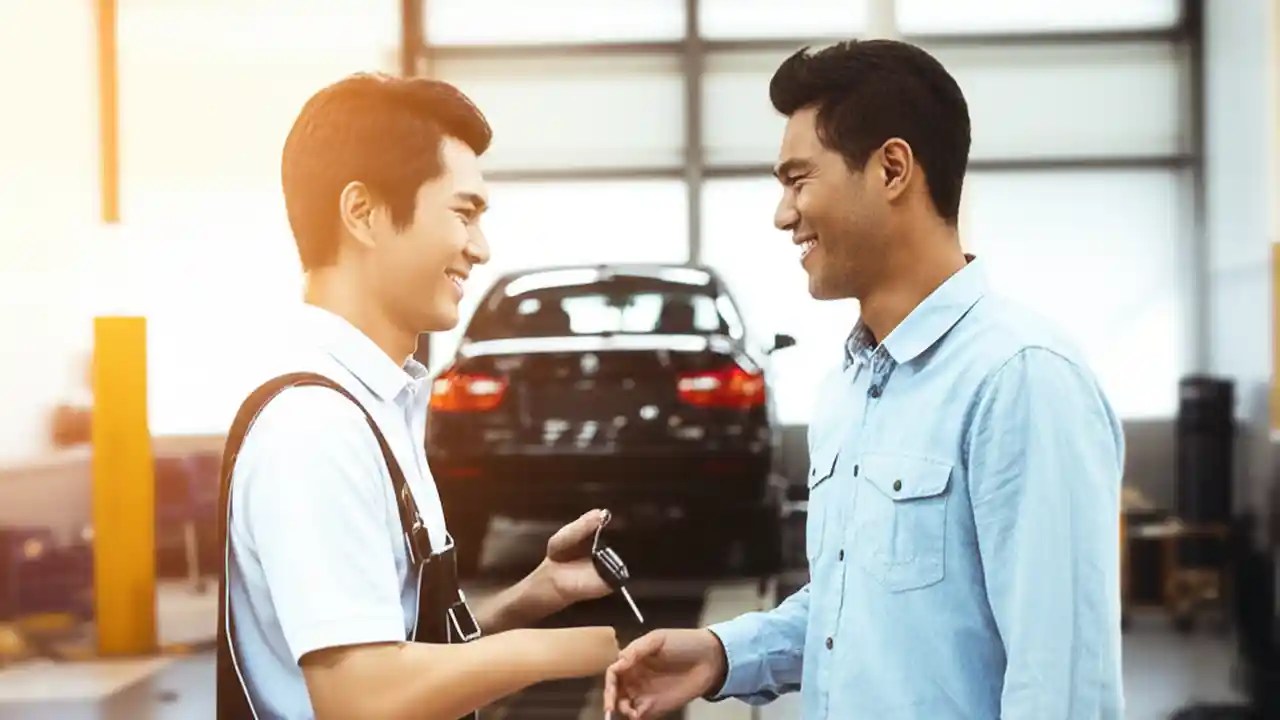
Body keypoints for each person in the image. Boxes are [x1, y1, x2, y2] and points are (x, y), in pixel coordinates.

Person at [605, 39, 1125, 720]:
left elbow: (1062, 686)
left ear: (891, 169)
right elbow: (855, 612)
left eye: (798, 180)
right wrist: (723, 654)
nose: (782, 214)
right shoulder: (851, 389)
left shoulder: (1019, 378)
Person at [217, 73, 619, 720]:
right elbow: (364, 698)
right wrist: (595, 650)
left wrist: (534, 598)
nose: (480, 249)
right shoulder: (314, 426)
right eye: (464, 213)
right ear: (363, 214)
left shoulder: (374, 405)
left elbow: (403, 650)